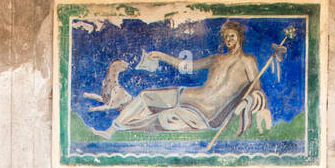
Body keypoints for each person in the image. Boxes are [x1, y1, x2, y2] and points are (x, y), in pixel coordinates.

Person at [93, 20, 268, 140]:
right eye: (226, 37)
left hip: (205, 112)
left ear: (239, 37)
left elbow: (257, 90)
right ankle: (111, 131)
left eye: (232, 36)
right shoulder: (217, 59)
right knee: (145, 95)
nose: (229, 40)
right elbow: (186, 66)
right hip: (186, 95)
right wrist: (162, 56)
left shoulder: (248, 61)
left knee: (164, 119)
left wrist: (249, 101)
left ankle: (129, 122)